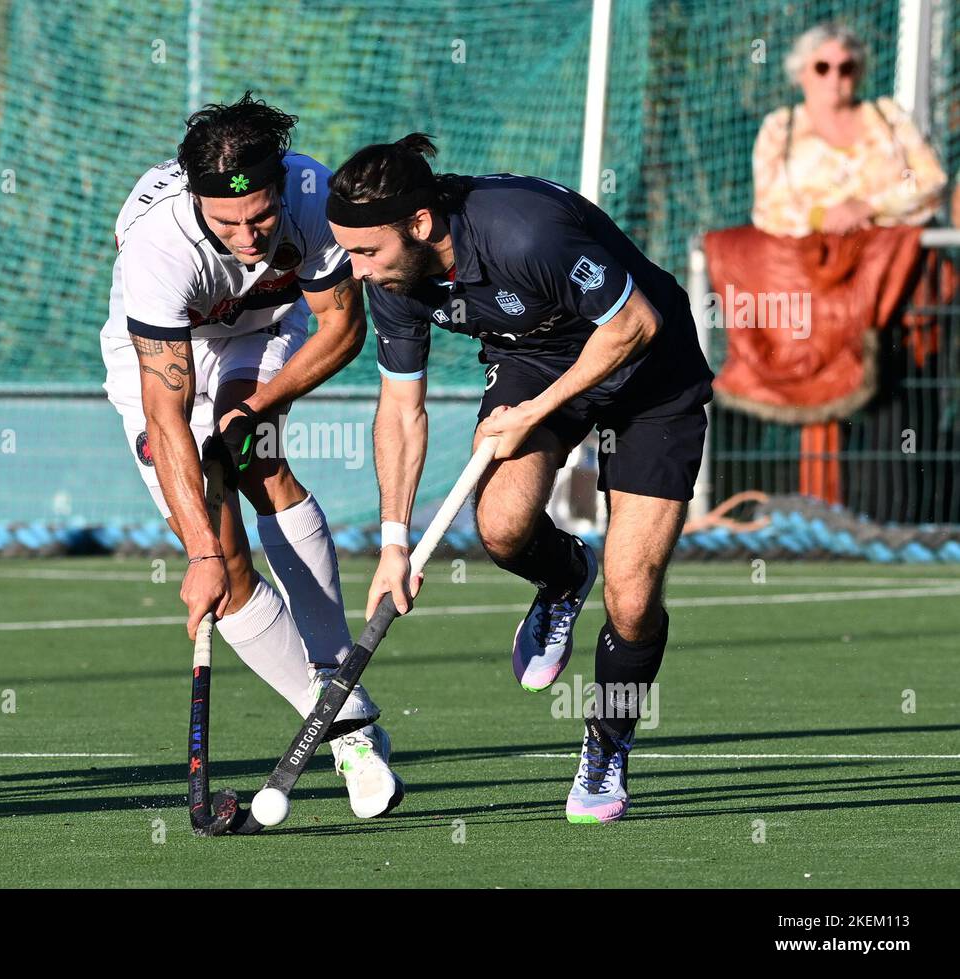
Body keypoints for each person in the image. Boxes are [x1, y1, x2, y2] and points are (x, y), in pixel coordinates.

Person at [326, 134, 715, 823]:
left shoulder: (522, 232)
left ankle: (607, 745)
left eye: (366, 251)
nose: (355, 272)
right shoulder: (394, 277)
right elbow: (401, 410)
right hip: (535, 356)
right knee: (502, 525)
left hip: (651, 372)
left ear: (420, 224)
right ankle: (563, 576)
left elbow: (634, 322)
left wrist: (534, 411)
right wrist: (393, 544)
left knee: (631, 597)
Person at [99, 94, 402, 818]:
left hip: (262, 337)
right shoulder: (158, 249)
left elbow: (341, 330)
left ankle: (341, 704)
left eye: (260, 216)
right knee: (220, 549)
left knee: (256, 461)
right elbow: (166, 412)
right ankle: (345, 716)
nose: (247, 234)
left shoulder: (312, 196)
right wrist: (200, 552)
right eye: (226, 221)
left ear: (280, 186)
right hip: (158, 359)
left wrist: (255, 406)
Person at [752, 22, 945, 237]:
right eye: (822, 67)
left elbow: (931, 179)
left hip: (891, 259)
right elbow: (768, 207)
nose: (834, 78)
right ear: (801, 72)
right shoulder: (779, 128)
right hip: (810, 262)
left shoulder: (890, 118)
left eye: (845, 68)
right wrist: (819, 217)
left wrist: (871, 207)